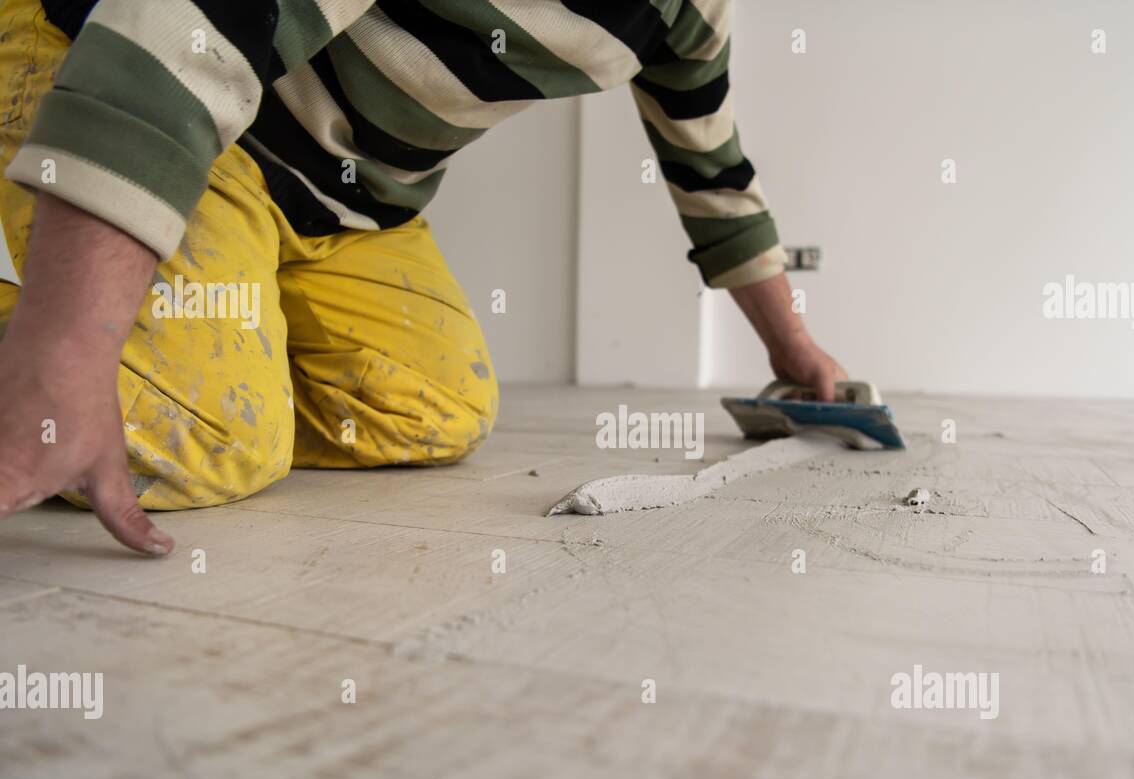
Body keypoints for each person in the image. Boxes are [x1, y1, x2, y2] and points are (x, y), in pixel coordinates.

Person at [0, 0, 845, 555]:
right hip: (133, 66)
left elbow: (716, 179)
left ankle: (205, 336)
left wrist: (796, 351)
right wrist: (68, 345)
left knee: (430, 408)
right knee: (205, 436)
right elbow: (190, 30)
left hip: (344, 199)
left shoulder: (690, 13)